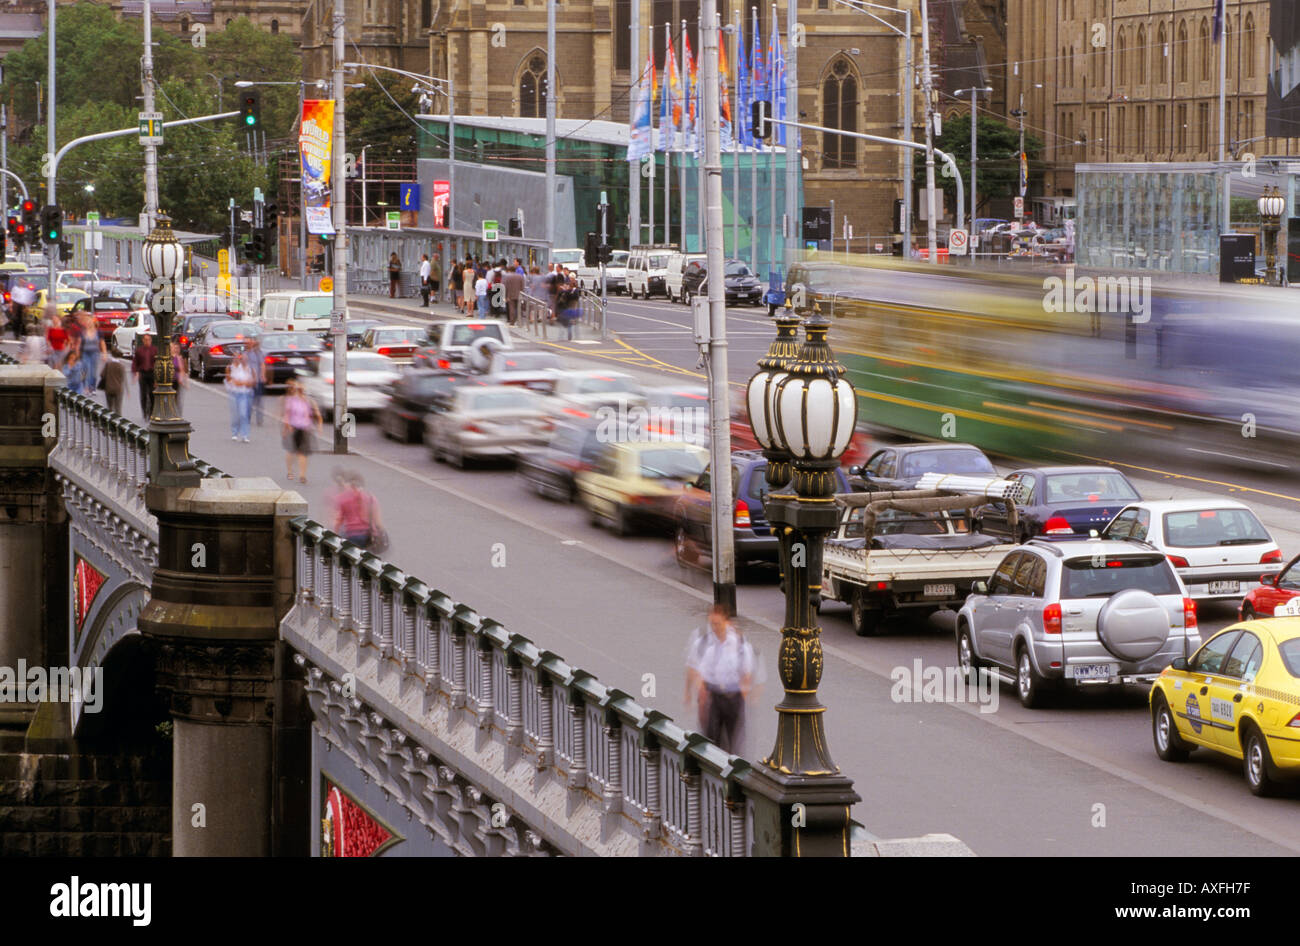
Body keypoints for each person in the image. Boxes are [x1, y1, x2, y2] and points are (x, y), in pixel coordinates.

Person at [684, 605, 755, 754]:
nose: (715, 628)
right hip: (713, 696)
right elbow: (694, 668)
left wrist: (743, 696)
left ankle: (732, 771)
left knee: (734, 742)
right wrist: (692, 693)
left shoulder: (739, 644)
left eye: (718, 624)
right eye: (712, 624)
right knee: (711, 739)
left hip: (733, 697)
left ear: (726, 623)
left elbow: (747, 672)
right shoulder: (704, 643)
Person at [282, 378, 322, 483]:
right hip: (293, 427)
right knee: (291, 451)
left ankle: (302, 475)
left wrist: (319, 426)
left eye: (302, 390)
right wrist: (287, 427)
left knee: (302, 452)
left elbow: (316, 414)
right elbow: (287, 415)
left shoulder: (308, 401)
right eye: (298, 389)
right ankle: (290, 471)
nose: (300, 392)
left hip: (305, 429)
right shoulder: (291, 401)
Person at [333, 472, 384, 550]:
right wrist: (380, 531)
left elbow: (339, 520)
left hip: (351, 535)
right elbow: (377, 521)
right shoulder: (370, 498)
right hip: (367, 535)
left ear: (348, 485)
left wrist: (335, 533)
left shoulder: (342, 498)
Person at [224, 349, 256, 442]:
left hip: (245, 393)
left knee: (243, 414)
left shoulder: (248, 368)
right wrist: (241, 382)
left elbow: (252, 381)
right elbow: (230, 380)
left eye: (239, 357)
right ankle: (234, 433)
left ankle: (245, 434)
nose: (237, 359)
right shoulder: (230, 368)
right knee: (235, 415)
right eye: (235, 357)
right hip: (234, 393)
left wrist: (245, 383)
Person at [132, 333, 158, 420]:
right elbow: (135, 362)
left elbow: (157, 363)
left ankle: (151, 412)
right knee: (143, 394)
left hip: (152, 373)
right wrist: (135, 372)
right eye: (145, 340)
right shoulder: (139, 350)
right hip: (143, 373)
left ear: (151, 340)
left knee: (152, 393)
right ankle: (144, 412)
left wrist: (157, 378)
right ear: (143, 341)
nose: (147, 341)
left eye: (148, 340)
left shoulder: (155, 350)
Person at [246, 335, 267, 425]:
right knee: (248, 399)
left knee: (258, 399)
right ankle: (247, 417)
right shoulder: (245, 353)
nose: (248, 344)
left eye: (249, 342)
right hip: (248, 380)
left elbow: (262, 364)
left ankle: (259, 418)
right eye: (246, 343)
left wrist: (262, 375)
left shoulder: (258, 353)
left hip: (257, 380)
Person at [557, 272, 582, 340]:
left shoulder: (569, 291)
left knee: (567, 323)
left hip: (568, 307)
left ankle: (565, 335)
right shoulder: (572, 291)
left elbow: (566, 297)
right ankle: (570, 333)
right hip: (570, 306)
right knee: (570, 321)